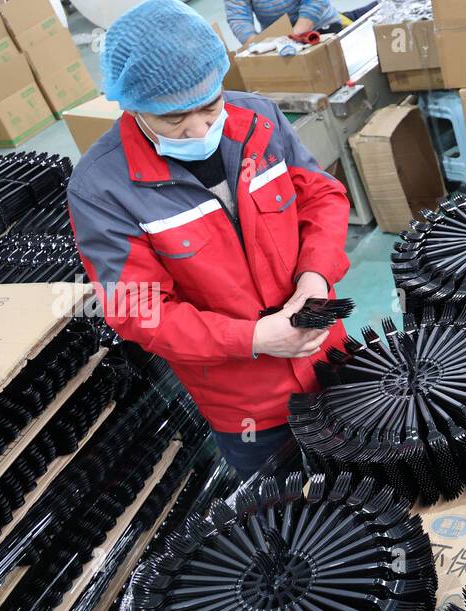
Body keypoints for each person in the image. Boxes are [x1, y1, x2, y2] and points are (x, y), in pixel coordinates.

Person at [68, 0, 350, 477]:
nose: (199, 128)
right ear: (131, 103)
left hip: (328, 357)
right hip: (249, 406)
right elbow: (140, 310)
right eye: (174, 118)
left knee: (371, 489)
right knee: (288, 521)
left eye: (210, 106)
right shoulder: (102, 187)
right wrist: (254, 337)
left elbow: (320, 197)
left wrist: (316, 276)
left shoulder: (259, 119)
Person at [225, 0, 334, 43]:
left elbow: (314, 2)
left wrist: (293, 37)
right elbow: (238, 17)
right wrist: (257, 45)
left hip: (319, 26)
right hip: (277, 38)